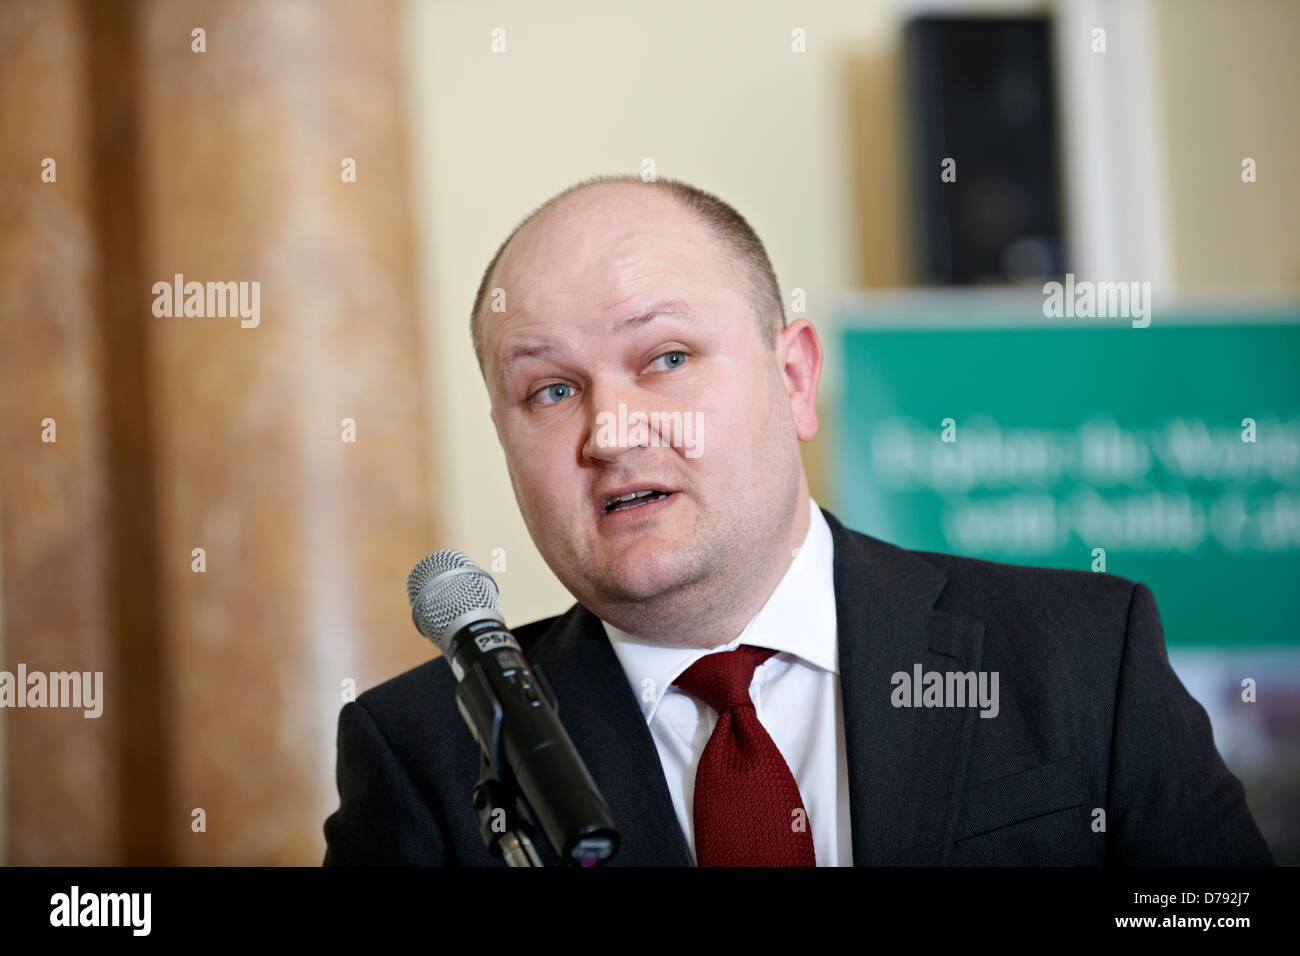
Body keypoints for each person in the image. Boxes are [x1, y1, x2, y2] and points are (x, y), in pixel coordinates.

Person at [322, 175, 1274, 866]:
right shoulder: (426, 753)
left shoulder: (1081, 656)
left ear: (793, 379)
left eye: (665, 359)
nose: (612, 432)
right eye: (551, 390)